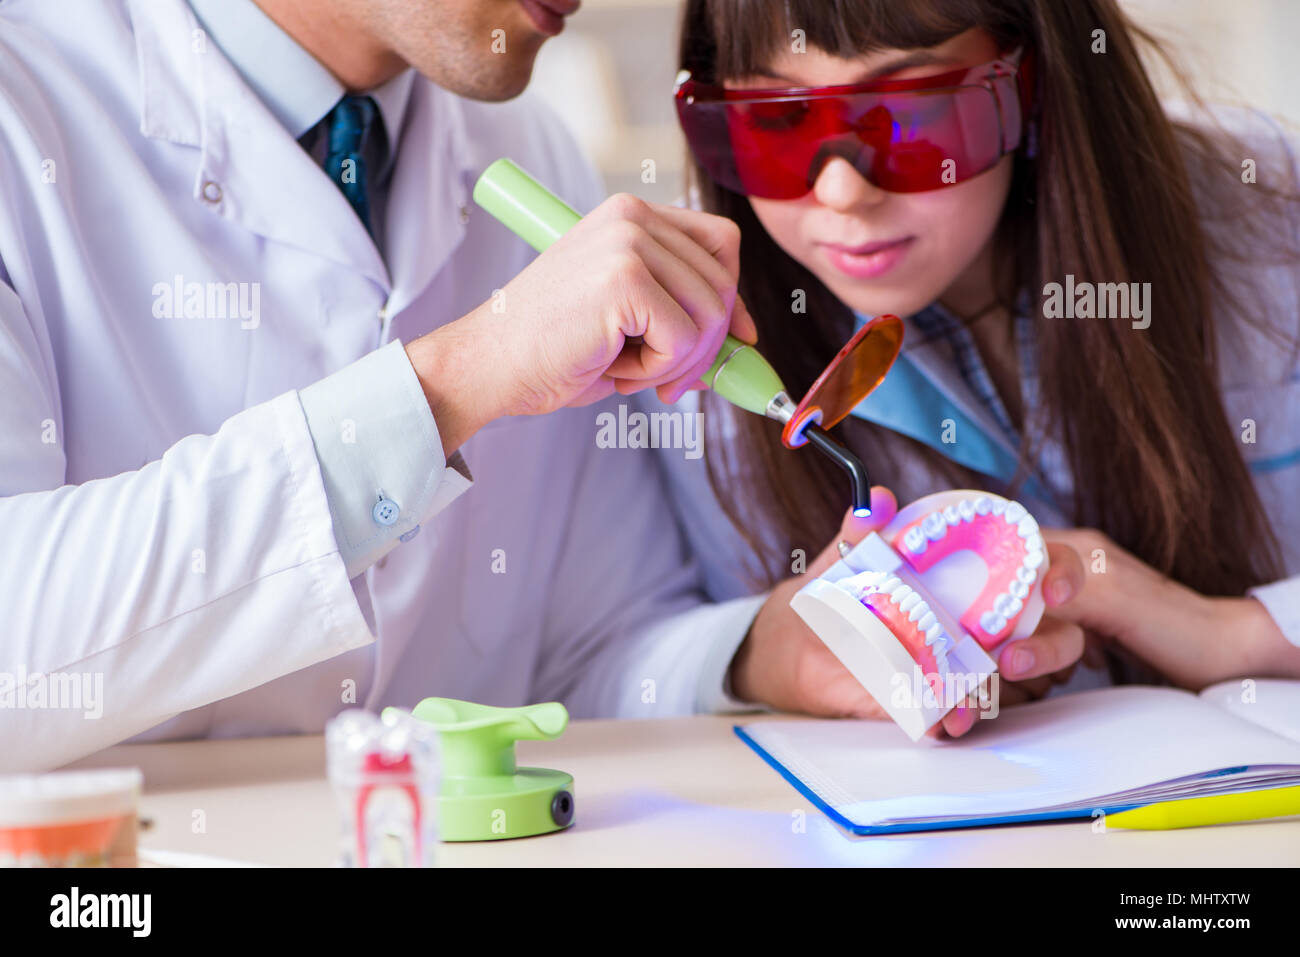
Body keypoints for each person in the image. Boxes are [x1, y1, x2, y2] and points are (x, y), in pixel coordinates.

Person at [0, 0, 759, 771]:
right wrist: (461, 377)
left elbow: (590, 658)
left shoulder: (530, 150)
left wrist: (752, 656)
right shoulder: (20, 101)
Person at [640, 0, 1300, 736]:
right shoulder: (684, 345)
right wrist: (762, 656)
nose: (842, 192)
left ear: (1036, 82)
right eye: (777, 119)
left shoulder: (1272, 212)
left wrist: (1232, 633)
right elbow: (597, 666)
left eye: (913, 114)